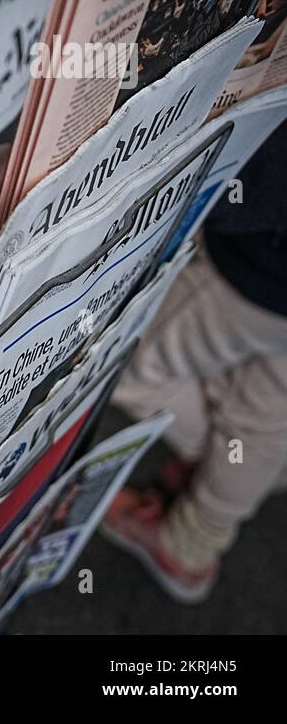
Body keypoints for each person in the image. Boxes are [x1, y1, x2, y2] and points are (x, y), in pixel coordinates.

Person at [103, 120, 287, 603]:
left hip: (264, 271)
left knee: (129, 363)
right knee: (264, 412)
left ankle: (217, 490)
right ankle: (198, 531)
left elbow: (244, 190)